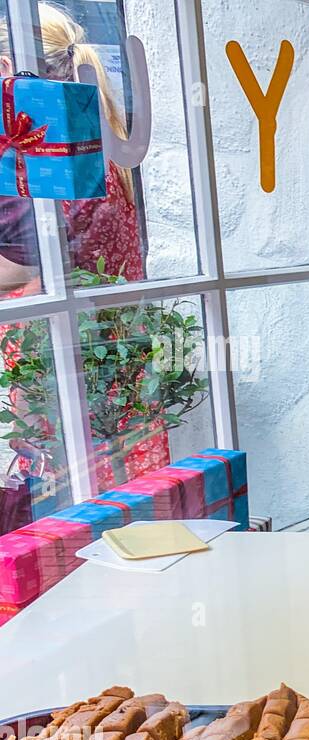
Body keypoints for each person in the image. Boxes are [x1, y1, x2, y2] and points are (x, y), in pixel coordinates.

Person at [0, 3, 151, 494]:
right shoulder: (98, 144)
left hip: (55, 360)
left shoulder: (34, 163)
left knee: (66, 506)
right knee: (120, 498)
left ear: (8, 71)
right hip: (110, 353)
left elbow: (20, 269)